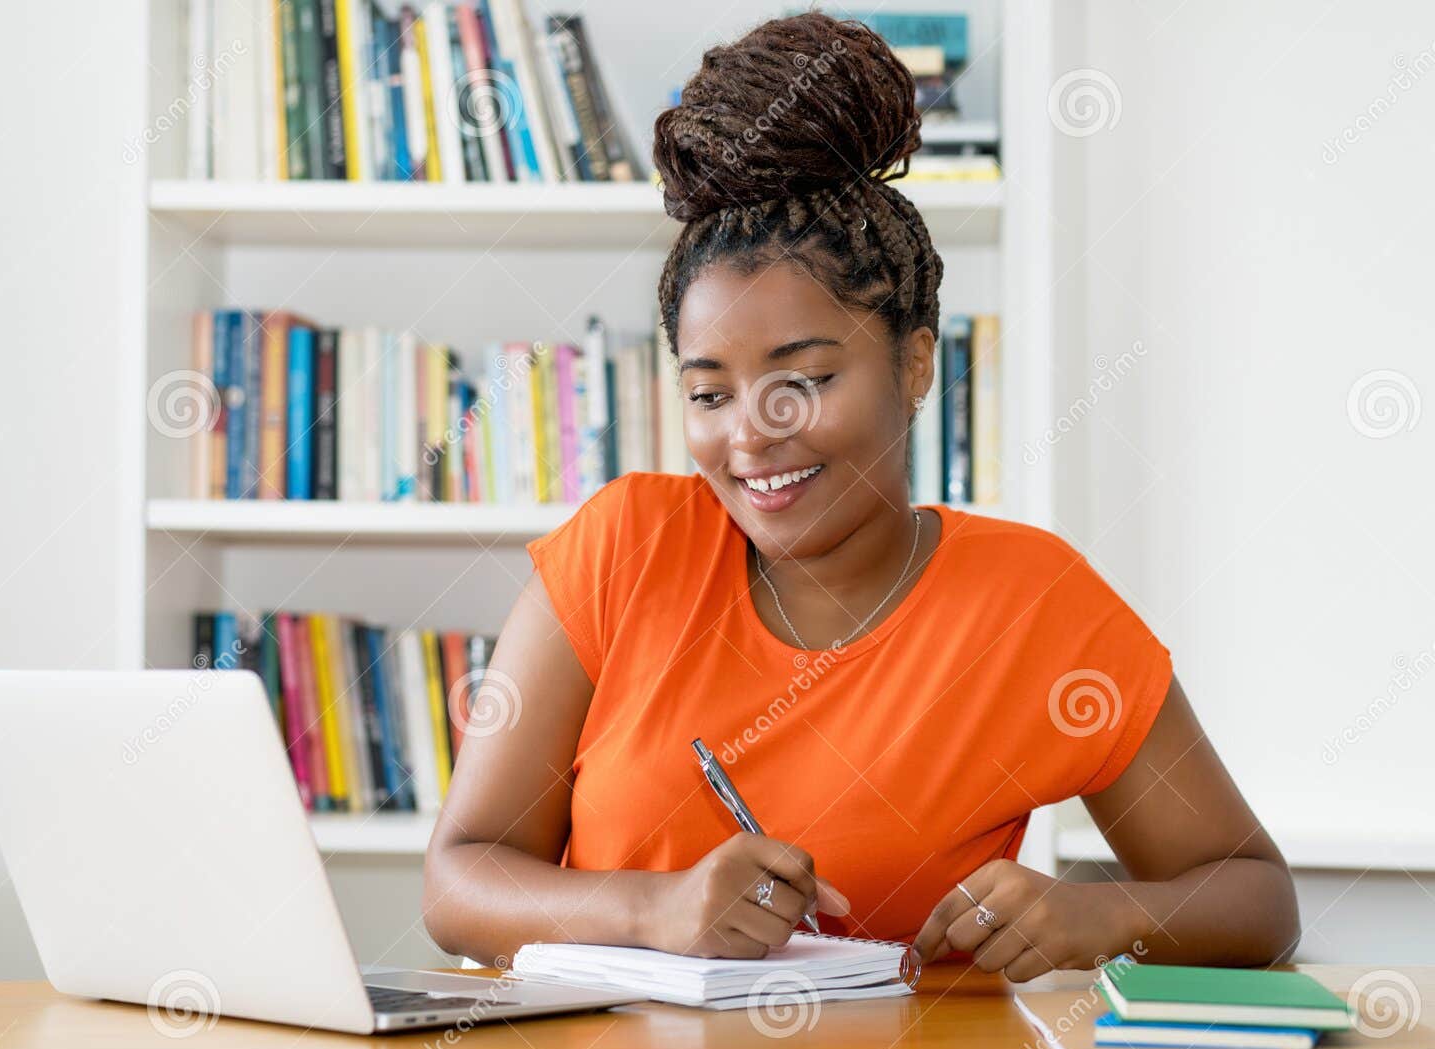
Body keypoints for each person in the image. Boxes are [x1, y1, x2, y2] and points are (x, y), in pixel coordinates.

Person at [423, 11, 1298, 980]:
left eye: (803, 379)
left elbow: (1254, 898)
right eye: (708, 392)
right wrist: (653, 908)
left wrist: (1094, 917)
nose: (749, 433)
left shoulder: (1031, 606)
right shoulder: (622, 548)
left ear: (914, 364)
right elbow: (459, 884)